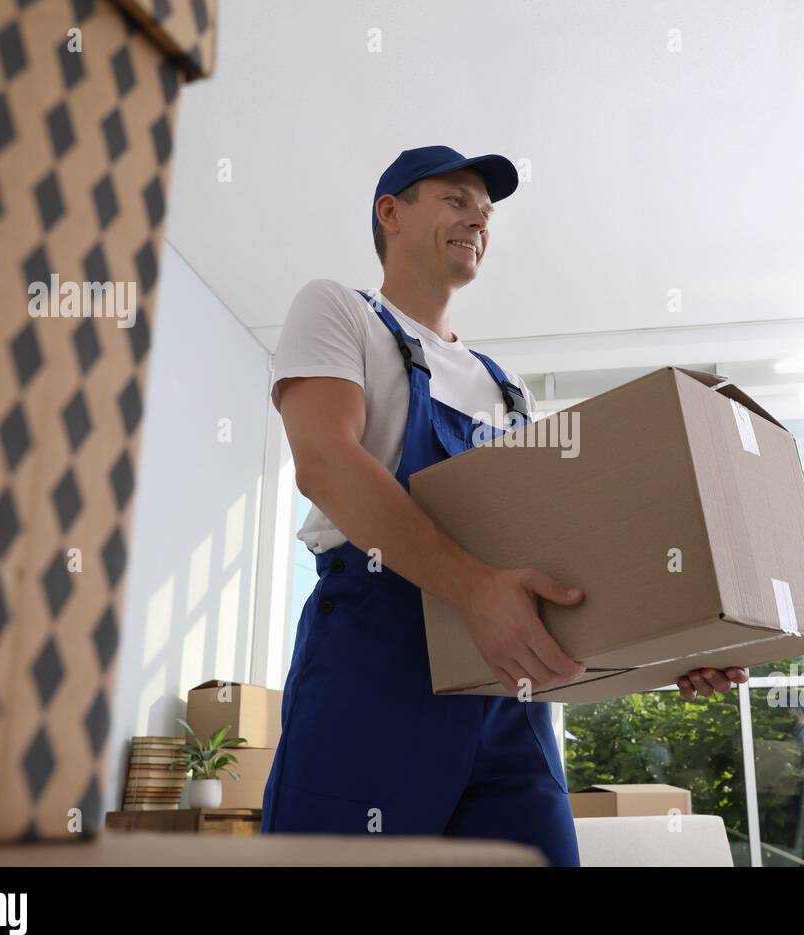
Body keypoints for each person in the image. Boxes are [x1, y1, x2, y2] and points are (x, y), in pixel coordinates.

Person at [260, 145, 746, 865]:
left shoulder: (507, 386)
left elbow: (553, 560)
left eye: (486, 215)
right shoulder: (341, 310)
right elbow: (328, 466)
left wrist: (663, 647)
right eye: (456, 200)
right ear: (389, 212)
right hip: (377, 664)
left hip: (508, 700)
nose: (477, 222)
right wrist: (475, 593)